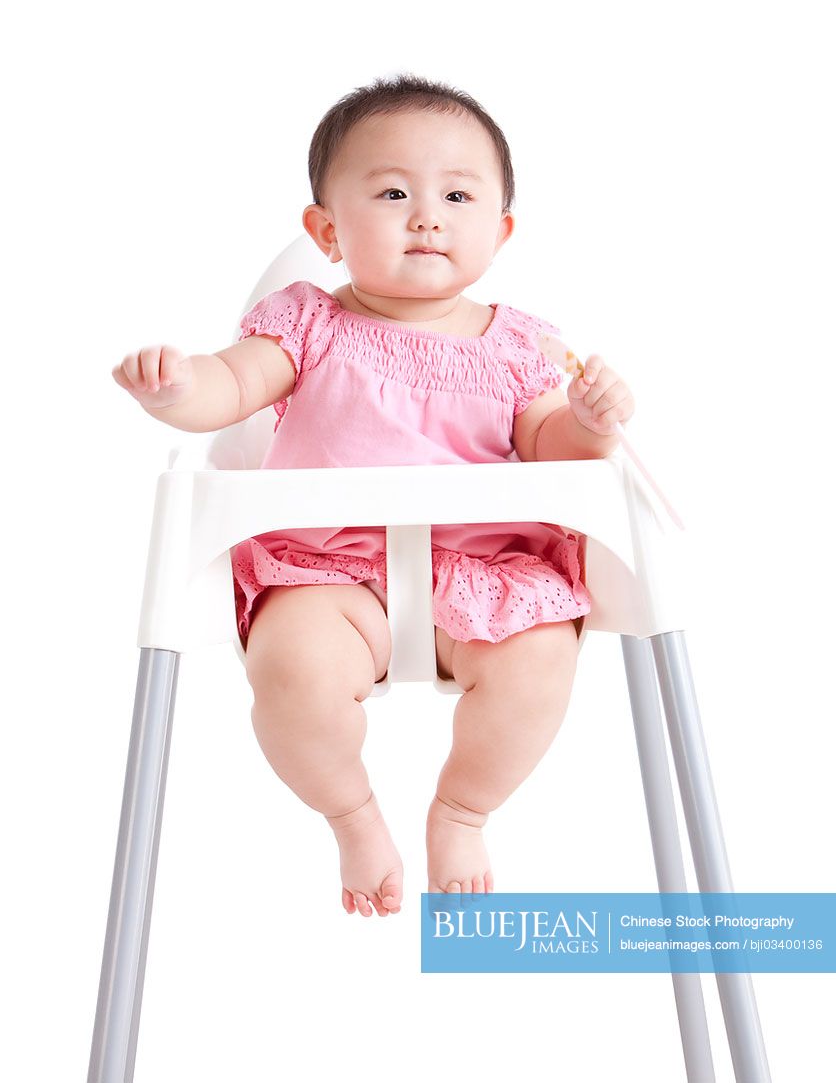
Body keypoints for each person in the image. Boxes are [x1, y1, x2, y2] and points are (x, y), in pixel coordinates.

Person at [112, 73, 635, 919]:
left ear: (499, 231)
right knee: (292, 672)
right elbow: (229, 385)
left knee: (541, 661)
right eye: (393, 191)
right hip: (328, 572)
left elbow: (553, 448)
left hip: (488, 573)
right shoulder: (306, 323)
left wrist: (590, 423)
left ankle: (463, 809)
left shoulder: (523, 344)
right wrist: (178, 388)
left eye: (458, 194)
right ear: (325, 230)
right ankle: (352, 814)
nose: (427, 213)